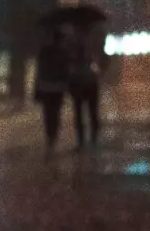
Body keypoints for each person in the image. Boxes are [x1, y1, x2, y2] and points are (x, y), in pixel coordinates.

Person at [35, 25, 72, 157]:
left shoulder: (44, 51)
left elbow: (39, 72)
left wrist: (37, 89)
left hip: (46, 87)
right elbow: (66, 72)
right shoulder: (63, 53)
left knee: (47, 114)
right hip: (57, 88)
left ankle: (49, 137)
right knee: (55, 114)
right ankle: (53, 138)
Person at [67, 26, 103, 149]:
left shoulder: (75, 45)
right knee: (90, 112)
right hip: (87, 82)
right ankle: (90, 139)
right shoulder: (91, 44)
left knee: (81, 112)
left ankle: (83, 141)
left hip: (81, 82)